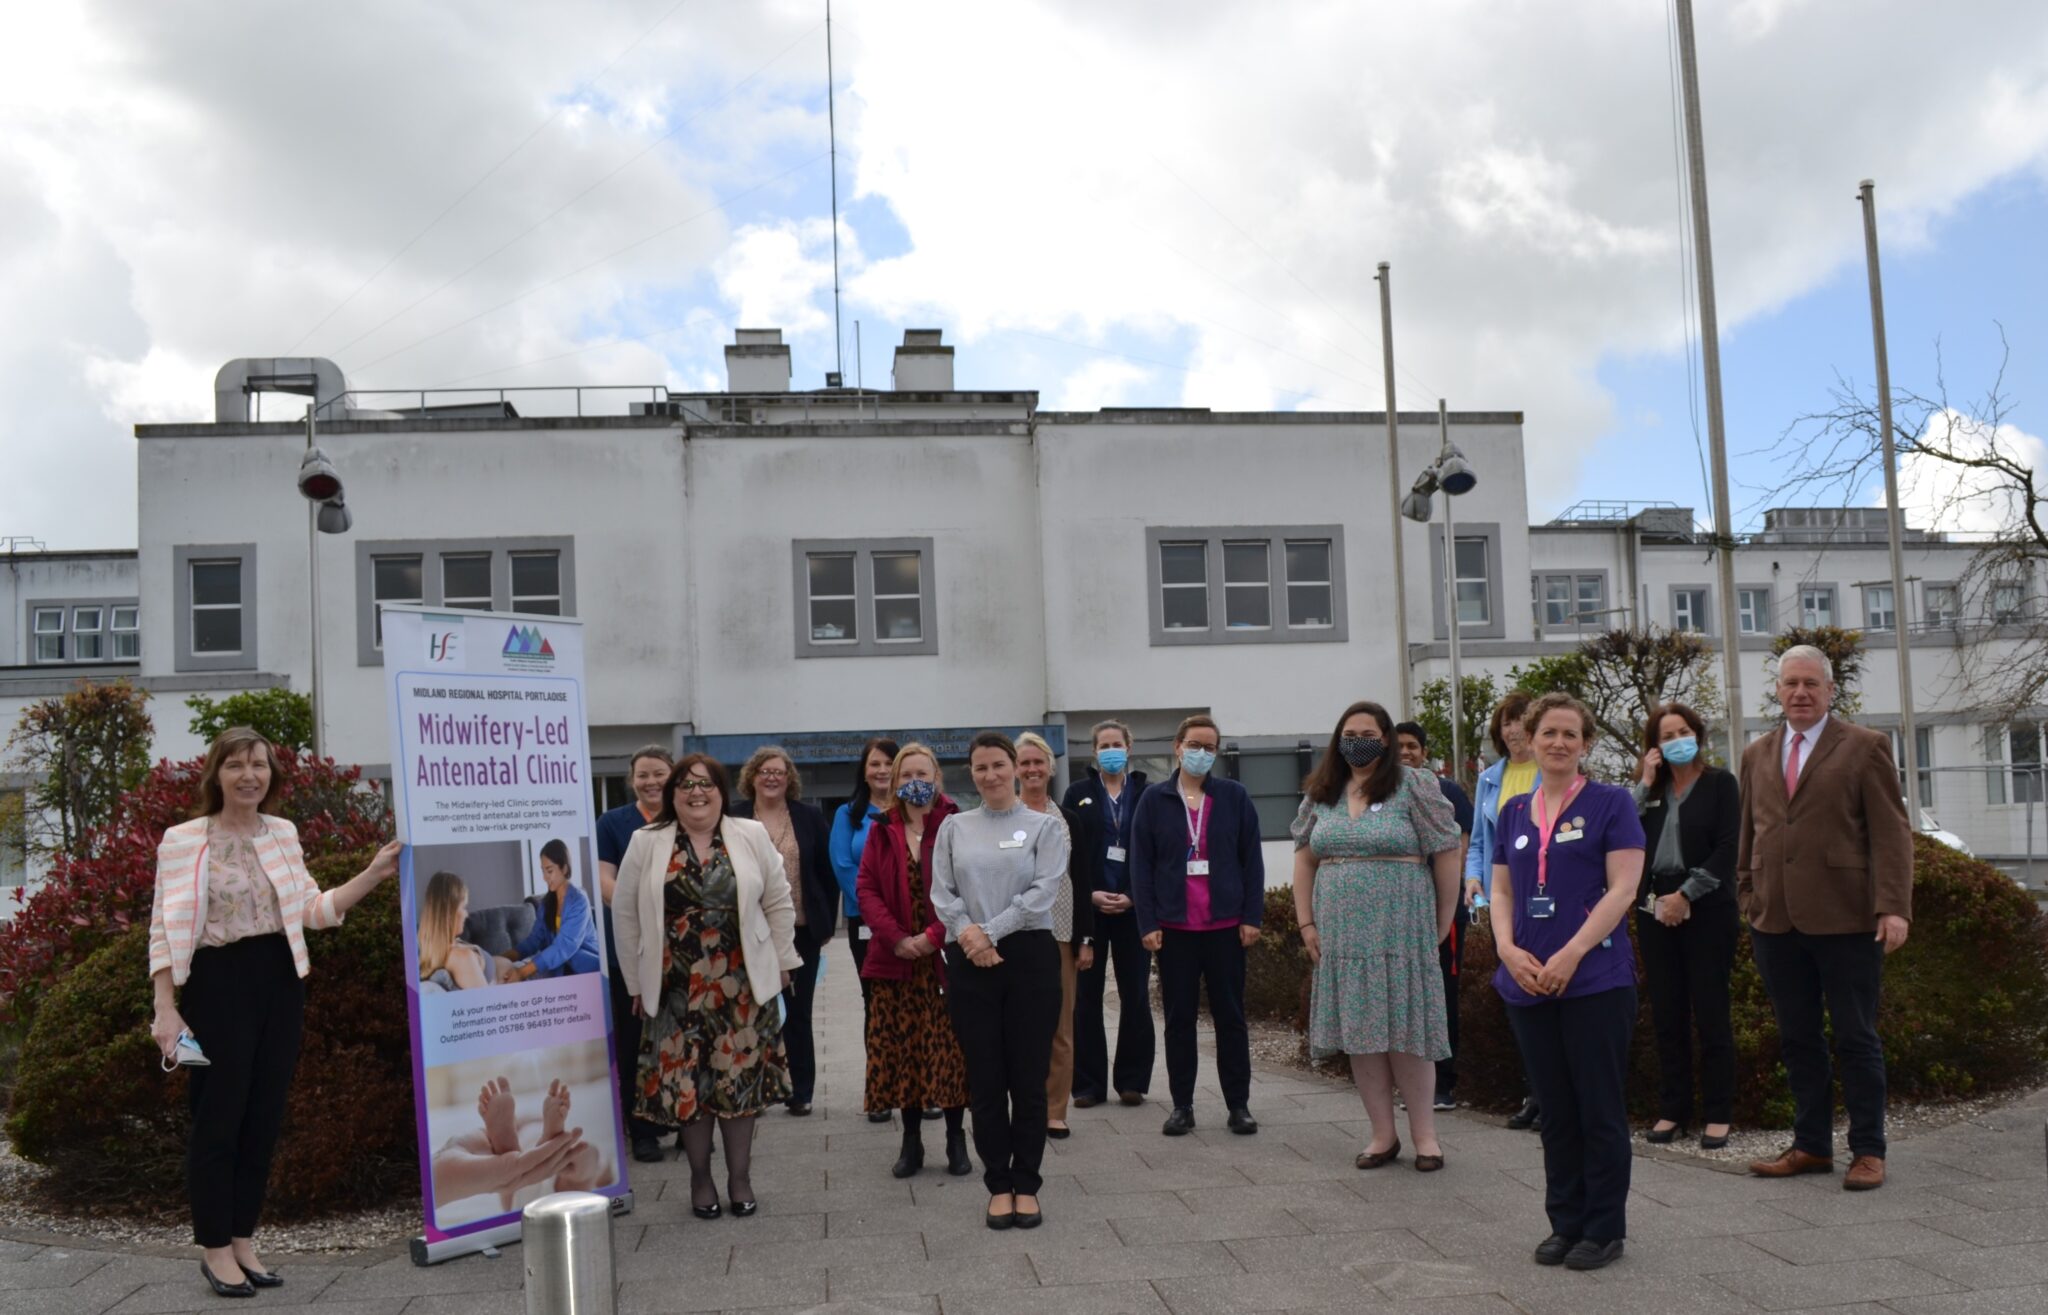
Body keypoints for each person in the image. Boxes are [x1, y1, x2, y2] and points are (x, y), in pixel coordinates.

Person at [148, 727, 402, 1297]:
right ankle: (215, 1249)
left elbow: (311, 910)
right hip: (217, 985)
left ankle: (242, 1240)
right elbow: (163, 930)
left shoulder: (283, 834)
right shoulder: (184, 839)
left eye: (259, 765)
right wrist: (166, 1009)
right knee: (219, 1117)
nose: (249, 776)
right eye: (236, 765)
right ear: (216, 774)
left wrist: (372, 873)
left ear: (272, 774)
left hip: (282, 982)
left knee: (262, 1118)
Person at [1740, 646, 1913, 1192]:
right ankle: (1811, 1145)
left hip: (1847, 919)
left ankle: (1868, 1151)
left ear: (1829, 690)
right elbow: (1750, 831)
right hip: (1775, 921)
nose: (1800, 692)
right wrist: (1747, 896)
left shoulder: (1864, 747)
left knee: (1857, 1037)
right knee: (1798, 1039)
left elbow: (1891, 832)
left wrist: (1894, 906)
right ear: (1777, 689)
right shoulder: (1757, 753)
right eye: (1790, 682)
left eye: (1811, 683)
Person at [1489, 693, 1645, 1272]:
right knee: (1554, 1107)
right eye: (1548, 733)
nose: (1558, 743)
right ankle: (1566, 1221)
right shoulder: (1513, 813)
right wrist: (1507, 950)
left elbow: (1623, 890)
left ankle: (1604, 1228)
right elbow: (1501, 890)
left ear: (1586, 744)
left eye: (1570, 735)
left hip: (1594, 978)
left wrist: (1573, 953)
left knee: (1597, 1106)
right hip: (1527, 980)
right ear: (1529, 740)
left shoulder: (1611, 804)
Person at [612, 754, 802, 1220]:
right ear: (673, 794)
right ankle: (700, 1177)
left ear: (721, 790)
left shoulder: (750, 834)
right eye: (686, 786)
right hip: (674, 986)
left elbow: (778, 902)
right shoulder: (646, 841)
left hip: (740, 984)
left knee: (738, 1085)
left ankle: (740, 1177)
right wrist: (635, 983)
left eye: (706, 785)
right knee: (689, 1088)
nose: (696, 793)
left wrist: (783, 962)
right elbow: (626, 915)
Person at [1295, 703, 1463, 1171]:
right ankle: (1382, 1135)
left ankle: (1425, 1137)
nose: (1357, 740)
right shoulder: (1322, 792)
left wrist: (1444, 918)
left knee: (1407, 1030)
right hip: (1342, 933)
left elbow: (1447, 852)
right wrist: (1306, 921)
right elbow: (1305, 860)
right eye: (1349, 732)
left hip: (1401, 928)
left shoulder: (1415, 785)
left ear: (1386, 738)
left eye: (1367, 732)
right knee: (1362, 1032)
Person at [931, 732, 1069, 1229]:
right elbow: (942, 892)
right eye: (980, 767)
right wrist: (970, 935)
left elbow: (1043, 892)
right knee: (985, 1079)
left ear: (1015, 767)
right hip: (969, 959)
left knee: (1028, 1079)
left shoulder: (1044, 827)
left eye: (998, 765)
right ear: (971, 773)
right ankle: (999, 1183)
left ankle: (1027, 1182)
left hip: (1028, 956)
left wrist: (987, 932)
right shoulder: (954, 827)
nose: (990, 775)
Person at [1130, 715, 1265, 1137]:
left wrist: (1251, 916)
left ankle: (1238, 1105)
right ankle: (1182, 1105)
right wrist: (1147, 921)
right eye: (1194, 745)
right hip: (1175, 930)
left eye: (1210, 747)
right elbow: (1141, 866)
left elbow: (1252, 861)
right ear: (1177, 746)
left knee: (1231, 1017)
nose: (1201, 753)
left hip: (1225, 926)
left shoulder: (1234, 796)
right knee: (1179, 1019)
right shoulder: (1154, 800)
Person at [855, 743, 973, 1178]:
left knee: (951, 1051)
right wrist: (898, 938)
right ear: (895, 781)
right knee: (903, 1051)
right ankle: (911, 1143)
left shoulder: (957, 824)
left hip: (944, 957)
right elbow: (865, 888)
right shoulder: (881, 827)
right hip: (896, 960)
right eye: (906, 775)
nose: (914, 782)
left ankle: (957, 1140)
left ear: (937, 778)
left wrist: (932, 936)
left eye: (922, 773)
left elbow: (968, 887)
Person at [1633, 702, 1741, 1150]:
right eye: (1666, 735)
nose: (1677, 740)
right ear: (1654, 747)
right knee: (1667, 1013)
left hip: (1707, 905)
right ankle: (1672, 1108)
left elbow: (1728, 846)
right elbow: (1622, 831)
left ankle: (1719, 1113)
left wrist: (1687, 895)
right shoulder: (1651, 790)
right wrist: (1642, 782)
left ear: (1697, 734)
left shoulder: (1721, 784)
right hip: (1654, 906)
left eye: (1683, 731)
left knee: (1711, 1010)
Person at [729, 747, 838, 1117]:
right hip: (748, 933)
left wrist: (826, 923)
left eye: (779, 771)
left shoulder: (807, 817)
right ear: (752, 777)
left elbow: (826, 872)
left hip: (801, 931)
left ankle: (801, 1091)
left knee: (798, 1011)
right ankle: (755, 1088)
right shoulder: (734, 817)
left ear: (789, 778)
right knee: (752, 1012)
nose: (772, 777)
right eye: (765, 771)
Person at [1065, 719, 1153, 1108]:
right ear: (1094, 751)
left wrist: (1134, 895)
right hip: (1091, 909)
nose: (1111, 750)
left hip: (1134, 909)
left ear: (1129, 747)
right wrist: (1088, 896)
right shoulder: (1077, 793)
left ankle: (1132, 1081)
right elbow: (1065, 853)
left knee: (1135, 996)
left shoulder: (1148, 794)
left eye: (1117, 743)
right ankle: (1087, 1085)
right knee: (1086, 997)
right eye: (1104, 745)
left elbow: (1157, 853)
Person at [1016, 732, 1098, 1139]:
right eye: (1024, 762)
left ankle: (1054, 1109)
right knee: (1017, 1026)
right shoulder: (1000, 817)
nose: (1032, 769)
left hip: (1061, 934)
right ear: (1014, 768)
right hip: (1013, 937)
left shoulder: (1069, 820)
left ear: (1050, 767)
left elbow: (1081, 880)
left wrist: (1086, 938)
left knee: (1061, 1028)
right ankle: (1021, 1104)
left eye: (1038, 762)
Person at [1468, 692, 1543, 1131]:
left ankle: (1549, 1094)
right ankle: (1532, 1092)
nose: (1513, 731)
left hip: (1542, 896)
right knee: (1516, 998)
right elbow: (1479, 840)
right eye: (1506, 723)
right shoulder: (1491, 778)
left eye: (1521, 722)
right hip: (1502, 900)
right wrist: (1472, 879)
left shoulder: (1553, 770)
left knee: (1546, 991)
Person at [597, 745, 673, 1162]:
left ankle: (686, 1122)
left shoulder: (686, 816)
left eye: (659, 773)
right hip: (628, 946)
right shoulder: (613, 823)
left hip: (679, 947)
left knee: (681, 1038)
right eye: (643, 775)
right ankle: (642, 1129)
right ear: (632, 780)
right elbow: (604, 878)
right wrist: (644, 911)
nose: (651, 782)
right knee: (635, 1041)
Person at [1395, 721, 1474, 1111]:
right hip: (1397, 915)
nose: (1405, 753)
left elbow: (1455, 852)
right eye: (1398, 747)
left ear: (1425, 753)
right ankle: (1409, 1081)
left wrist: (1445, 907)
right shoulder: (1380, 795)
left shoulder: (1448, 792)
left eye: (1412, 746)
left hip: (1441, 914)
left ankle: (1443, 1083)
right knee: (1404, 998)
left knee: (1442, 996)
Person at [831, 736, 901, 1123]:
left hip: (913, 923)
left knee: (917, 1001)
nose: (881, 771)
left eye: (888, 763)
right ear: (864, 769)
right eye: (874, 764)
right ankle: (881, 1089)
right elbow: (843, 866)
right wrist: (880, 912)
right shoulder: (848, 814)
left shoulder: (912, 808)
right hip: (868, 922)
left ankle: (921, 1087)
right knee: (875, 1003)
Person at [504, 839, 602, 981]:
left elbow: (564, 946)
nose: (544, 877)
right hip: (561, 972)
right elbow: (533, 941)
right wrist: (503, 957)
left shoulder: (579, 901)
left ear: (564, 868)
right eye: (543, 871)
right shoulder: (546, 904)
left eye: (549, 870)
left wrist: (522, 972)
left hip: (586, 973)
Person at [416, 871, 509, 989]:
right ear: (449, 912)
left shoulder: (441, 948)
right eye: (464, 907)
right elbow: (489, 1005)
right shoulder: (461, 958)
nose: (466, 914)